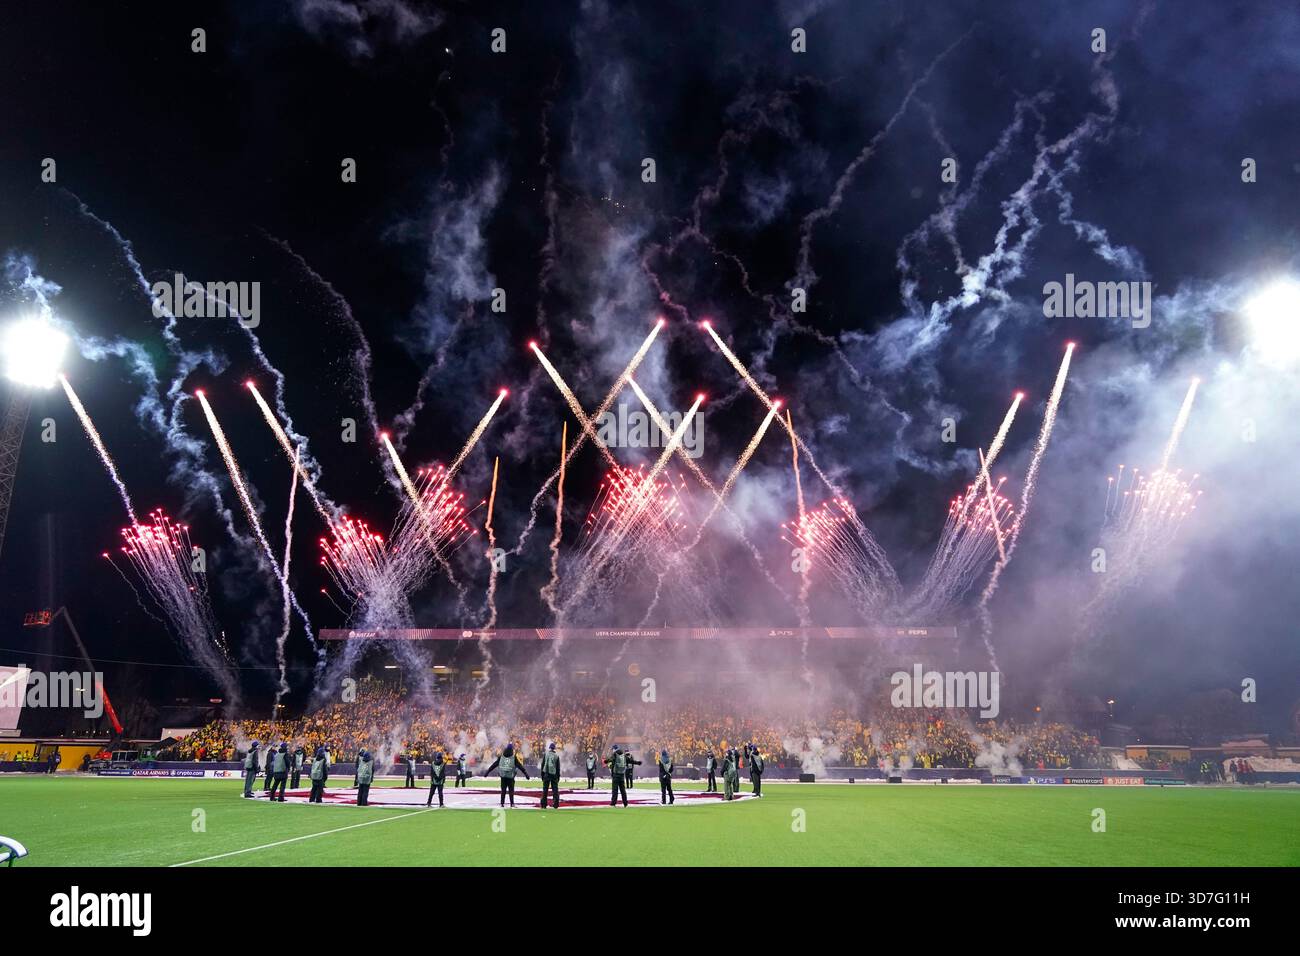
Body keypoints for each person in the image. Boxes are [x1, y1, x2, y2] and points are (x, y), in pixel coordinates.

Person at [483, 743, 530, 808]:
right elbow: (520, 766)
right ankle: (512, 803)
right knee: (511, 791)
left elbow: (494, 765)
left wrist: (487, 772)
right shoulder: (513, 757)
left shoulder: (501, 756)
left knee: (503, 791)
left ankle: (502, 803)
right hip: (510, 776)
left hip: (503, 776)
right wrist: (526, 774)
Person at [539, 742, 562, 809]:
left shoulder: (546, 754)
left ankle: (543, 804)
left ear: (549, 748)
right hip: (554, 774)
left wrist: (542, 775)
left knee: (545, 789)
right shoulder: (556, 756)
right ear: (554, 748)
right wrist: (558, 777)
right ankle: (556, 804)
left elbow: (542, 765)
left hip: (546, 773)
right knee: (555, 790)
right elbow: (558, 768)